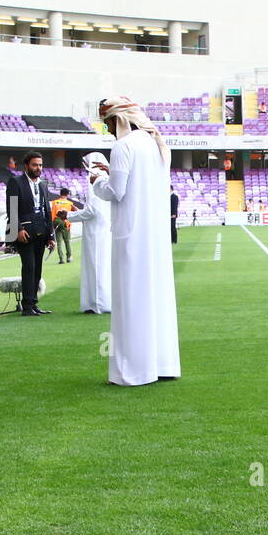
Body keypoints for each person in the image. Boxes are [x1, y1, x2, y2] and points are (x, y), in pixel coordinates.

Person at [91, 96, 180, 386]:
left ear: (118, 119)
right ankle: (161, 364)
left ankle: (132, 369)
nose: (108, 131)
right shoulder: (155, 145)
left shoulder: (123, 146)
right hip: (154, 237)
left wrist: (96, 182)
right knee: (155, 299)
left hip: (130, 235)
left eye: (107, 124)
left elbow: (116, 191)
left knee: (130, 302)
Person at [6, 151, 55, 316]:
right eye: (35, 165)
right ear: (26, 166)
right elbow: (11, 208)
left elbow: (47, 211)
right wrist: (18, 228)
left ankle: (33, 303)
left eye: (40, 165)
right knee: (29, 266)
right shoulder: (16, 181)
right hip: (25, 231)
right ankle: (27, 306)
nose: (38, 168)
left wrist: (51, 236)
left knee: (38, 268)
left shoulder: (43, 184)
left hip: (41, 230)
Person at [66, 152, 112, 314]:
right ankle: (99, 301)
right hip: (103, 228)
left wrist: (68, 215)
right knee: (101, 265)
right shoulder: (107, 178)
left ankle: (97, 303)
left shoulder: (96, 181)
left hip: (95, 231)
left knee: (96, 264)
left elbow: (92, 211)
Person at [51, 188, 75, 264]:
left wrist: (53, 224)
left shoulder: (55, 202)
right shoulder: (70, 203)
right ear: (67, 194)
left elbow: (53, 214)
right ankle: (69, 257)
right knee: (67, 242)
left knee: (59, 242)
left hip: (57, 223)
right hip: (66, 223)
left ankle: (61, 259)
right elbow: (72, 214)